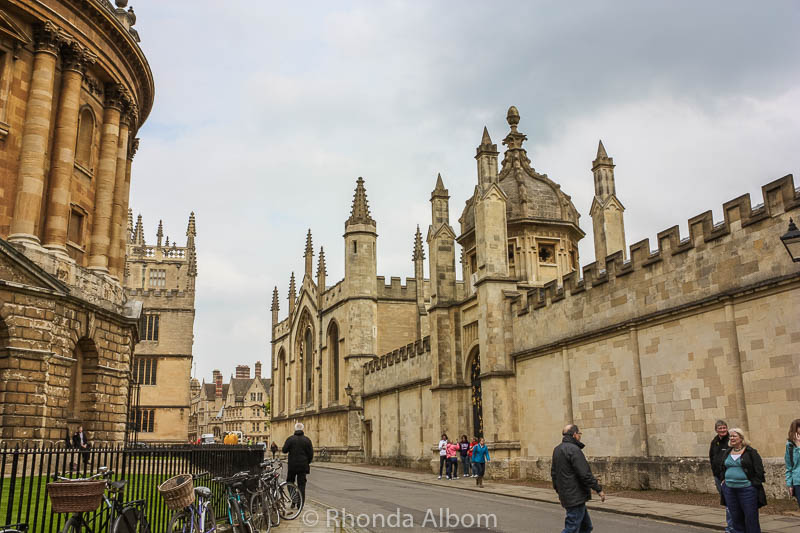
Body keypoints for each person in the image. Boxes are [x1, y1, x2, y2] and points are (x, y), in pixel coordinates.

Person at [551, 424, 605, 533]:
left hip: (569, 494)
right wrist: (598, 489)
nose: (580, 436)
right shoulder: (574, 450)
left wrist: (559, 490)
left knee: (586, 527)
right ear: (575, 435)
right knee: (571, 528)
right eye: (579, 434)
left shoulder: (557, 449)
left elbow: (554, 473)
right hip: (575, 496)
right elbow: (585, 473)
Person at [720, 427, 765, 533]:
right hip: (730, 490)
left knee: (751, 518)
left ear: (741, 438)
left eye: (734, 436)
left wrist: (753, 484)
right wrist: (723, 479)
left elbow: (759, 470)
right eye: (730, 436)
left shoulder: (750, 452)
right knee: (736, 518)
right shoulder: (727, 452)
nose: (731, 438)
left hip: (747, 490)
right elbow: (722, 467)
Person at [710, 419, 733, 532]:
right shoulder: (714, 441)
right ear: (716, 430)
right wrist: (715, 473)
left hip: (728, 477)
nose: (723, 430)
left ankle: (731, 528)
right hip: (718, 476)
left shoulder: (731, 440)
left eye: (724, 428)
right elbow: (712, 457)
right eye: (720, 428)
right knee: (727, 502)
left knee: (730, 502)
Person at [282, 422, 314, 504]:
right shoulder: (307, 440)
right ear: (302, 429)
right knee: (301, 485)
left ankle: (294, 498)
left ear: (295, 429)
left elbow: (284, 450)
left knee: (289, 482)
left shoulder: (290, 439)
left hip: (292, 465)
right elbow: (311, 454)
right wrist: (307, 462)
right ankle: (300, 503)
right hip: (303, 466)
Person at [786, 419, 800, 513]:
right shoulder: (790, 446)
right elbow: (789, 466)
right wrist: (790, 484)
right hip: (798, 481)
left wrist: (799, 447)